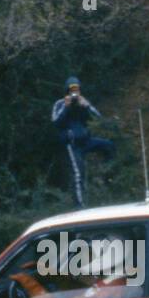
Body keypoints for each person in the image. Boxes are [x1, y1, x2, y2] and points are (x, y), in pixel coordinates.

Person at [51, 76, 115, 208]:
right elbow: (56, 122)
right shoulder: (60, 104)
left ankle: (108, 177)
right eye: (71, 91)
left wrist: (87, 106)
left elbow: (99, 119)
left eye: (77, 90)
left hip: (86, 140)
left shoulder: (83, 102)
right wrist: (66, 107)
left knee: (109, 146)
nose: (75, 93)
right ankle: (79, 205)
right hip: (71, 144)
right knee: (78, 173)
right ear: (67, 91)